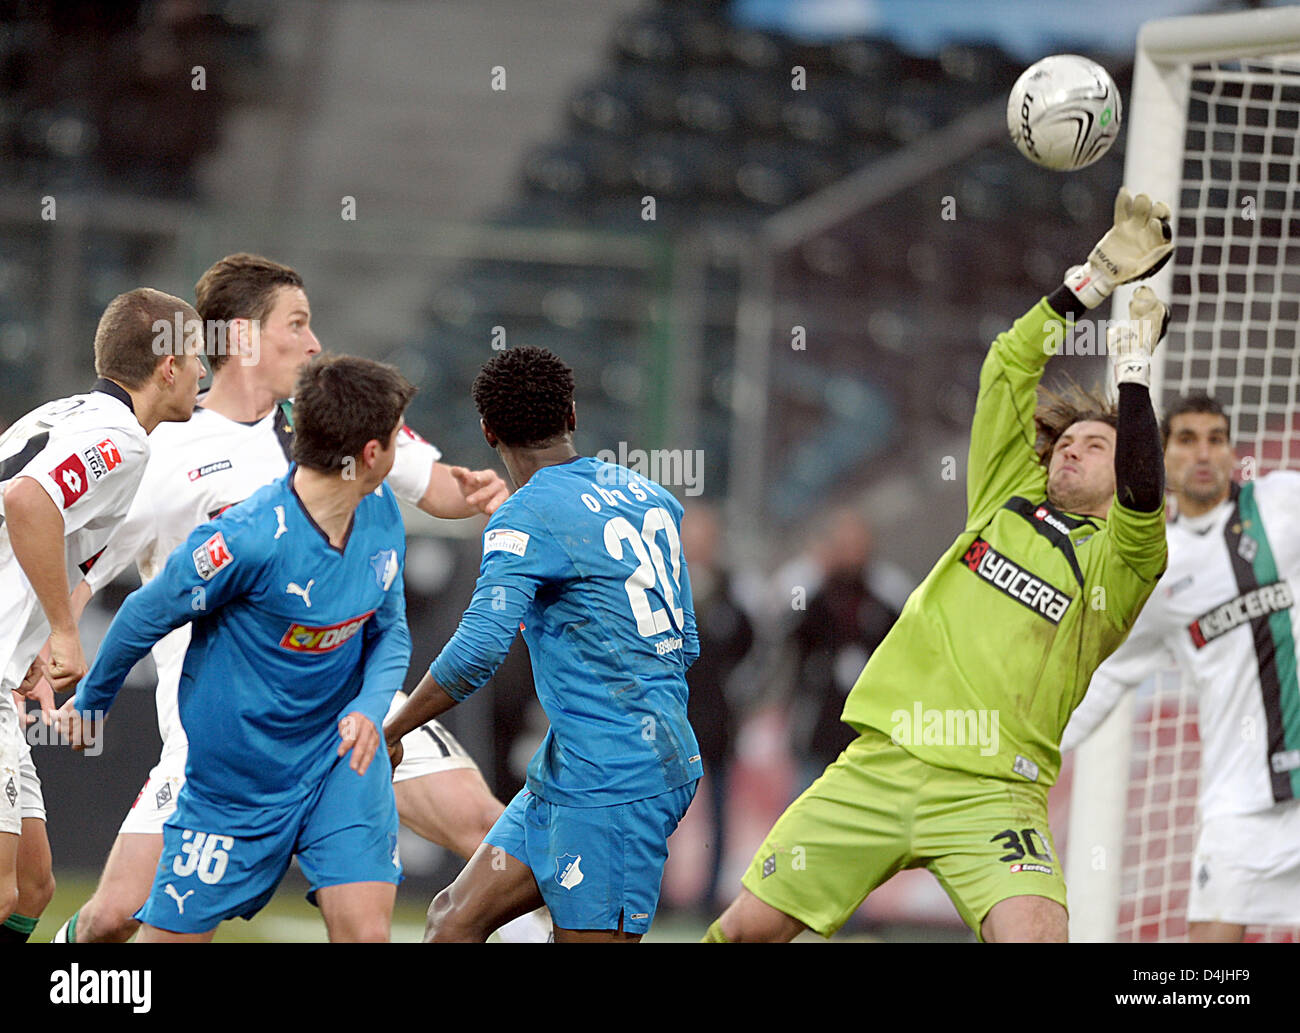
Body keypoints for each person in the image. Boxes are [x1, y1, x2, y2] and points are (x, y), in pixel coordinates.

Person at [706, 188, 1174, 943]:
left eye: (1093, 446)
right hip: (880, 763)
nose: (1068, 450)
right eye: (1064, 441)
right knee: (744, 932)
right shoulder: (1004, 498)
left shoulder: (1121, 562)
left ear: (1117, 475)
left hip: (995, 793)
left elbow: (1147, 494)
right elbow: (1010, 363)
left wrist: (1131, 378)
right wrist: (1088, 283)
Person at [48, 253, 547, 944]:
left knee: (482, 825)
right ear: (245, 337)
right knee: (113, 917)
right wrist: (54, 645)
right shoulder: (165, 450)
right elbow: (90, 573)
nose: (314, 343)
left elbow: (432, 485)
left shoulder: (327, 420)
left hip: (344, 696)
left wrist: (477, 492)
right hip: (228, 726)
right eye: (297, 323)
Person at [61, 355, 413, 942]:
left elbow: (391, 630)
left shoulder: (381, 513)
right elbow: (143, 614)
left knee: (366, 937)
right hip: (235, 785)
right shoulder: (247, 538)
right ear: (372, 454)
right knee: (127, 934)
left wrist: (367, 708)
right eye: (398, 436)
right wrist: (93, 701)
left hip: (338, 762)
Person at [384, 345, 701, 943]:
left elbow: (477, 653)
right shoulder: (650, 496)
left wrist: (393, 730)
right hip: (582, 767)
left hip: (615, 781)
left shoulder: (525, 515)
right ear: (573, 415)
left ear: (488, 431)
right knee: (453, 921)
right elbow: (685, 640)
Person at [0, 287, 204, 939]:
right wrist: (62, 628)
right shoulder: (120, 438)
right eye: (196, 356)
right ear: (167, 364)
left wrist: (28, 634)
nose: (203, 372)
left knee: (32, 886)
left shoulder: (74, 413)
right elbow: (28, 502)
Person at [1062, 394, 1300, 942]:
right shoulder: (1155, 570)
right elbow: (1109, 675)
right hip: (1240, 801)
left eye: (1216, 439)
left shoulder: (1282, 503)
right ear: (1163, 456)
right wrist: (1038, 749)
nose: (1204, 453)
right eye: (1188, 439)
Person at [680, 502, 754, 914]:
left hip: (718, 721)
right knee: (659, 810)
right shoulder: (658, 584)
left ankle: (709, 895)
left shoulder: (734, 589)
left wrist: (740, 696)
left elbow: (755, 647)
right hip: (670, 719)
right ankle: (657, 893)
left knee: (718, 812)